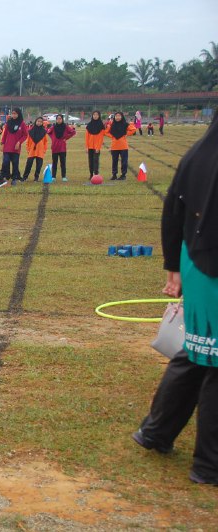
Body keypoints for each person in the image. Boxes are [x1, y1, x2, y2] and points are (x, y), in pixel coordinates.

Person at [132, 115, 218, 485]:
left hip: (196, 261)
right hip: (209, 264)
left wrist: (174, 265)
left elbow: (172, 210)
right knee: (212, 361)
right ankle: (209, 465)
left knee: (198, 350)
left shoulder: (198, 153)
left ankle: (156, 432)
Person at [0, 108, 28, 185]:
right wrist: (2, 143)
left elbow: (25, 135)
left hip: (16, 147)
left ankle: (14, 178)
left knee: (15, 163)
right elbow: (5, 134)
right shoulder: (9, 122)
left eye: (15, 113)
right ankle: (5, 175)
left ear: (18, 114)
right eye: (12, 113)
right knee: (5, 161)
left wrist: (19, 142)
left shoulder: (22, 123)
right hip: (7, 147)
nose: (14, 115)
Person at [105, 111, 137, 180]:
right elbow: (106, 132)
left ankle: (123, 175)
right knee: (114, 161)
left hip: (123, 146)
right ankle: (114, 174)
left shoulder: (125, 124)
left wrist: (126, 133)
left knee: (124, 161)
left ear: (122, 117)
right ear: (114, 117)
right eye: (116, 116)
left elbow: (133, 129)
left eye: (119, 116)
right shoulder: (112, 124)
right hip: (114, 146)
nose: (117, 117)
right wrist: (112, 136)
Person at [46, 114, 77, 182]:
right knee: (54, 162)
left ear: (62, 119)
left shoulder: (65, 127)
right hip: (55, 147)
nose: (59, 120)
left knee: (63, 163)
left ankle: (64, 176)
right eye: (57, 119)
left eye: (60, 119)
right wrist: (53, 138)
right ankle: (53, 176)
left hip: (62, 148)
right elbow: (48, 132)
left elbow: (73, 132)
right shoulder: (53, 127)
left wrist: (66, 138)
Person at [23, 117, 48, 181]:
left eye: (40, 122)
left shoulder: (44, 132)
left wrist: (44, 150)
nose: (39, 123)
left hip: (40, 151)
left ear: (42, 123)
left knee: (39, 165)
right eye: (38, 121)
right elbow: (27, 142)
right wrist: (28, 149)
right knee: (29, 164)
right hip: (32, 151)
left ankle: (36, 178)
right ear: (35, 122)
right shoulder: (31, 131)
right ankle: (25, 177)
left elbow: (45, 142)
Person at [85, 111, 107, 178]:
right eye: (94, 114)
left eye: (97, 115)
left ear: (99, 116)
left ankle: (96, 174)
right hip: (90, 146)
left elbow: (101, 138)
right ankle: (91, 174)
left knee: (96, 160)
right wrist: (86, 147)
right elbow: (86, 137)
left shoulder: (101, 125)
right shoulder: (89, 125)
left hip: (97, 147)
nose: (95, 116)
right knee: (90, 161)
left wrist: (98, 147)